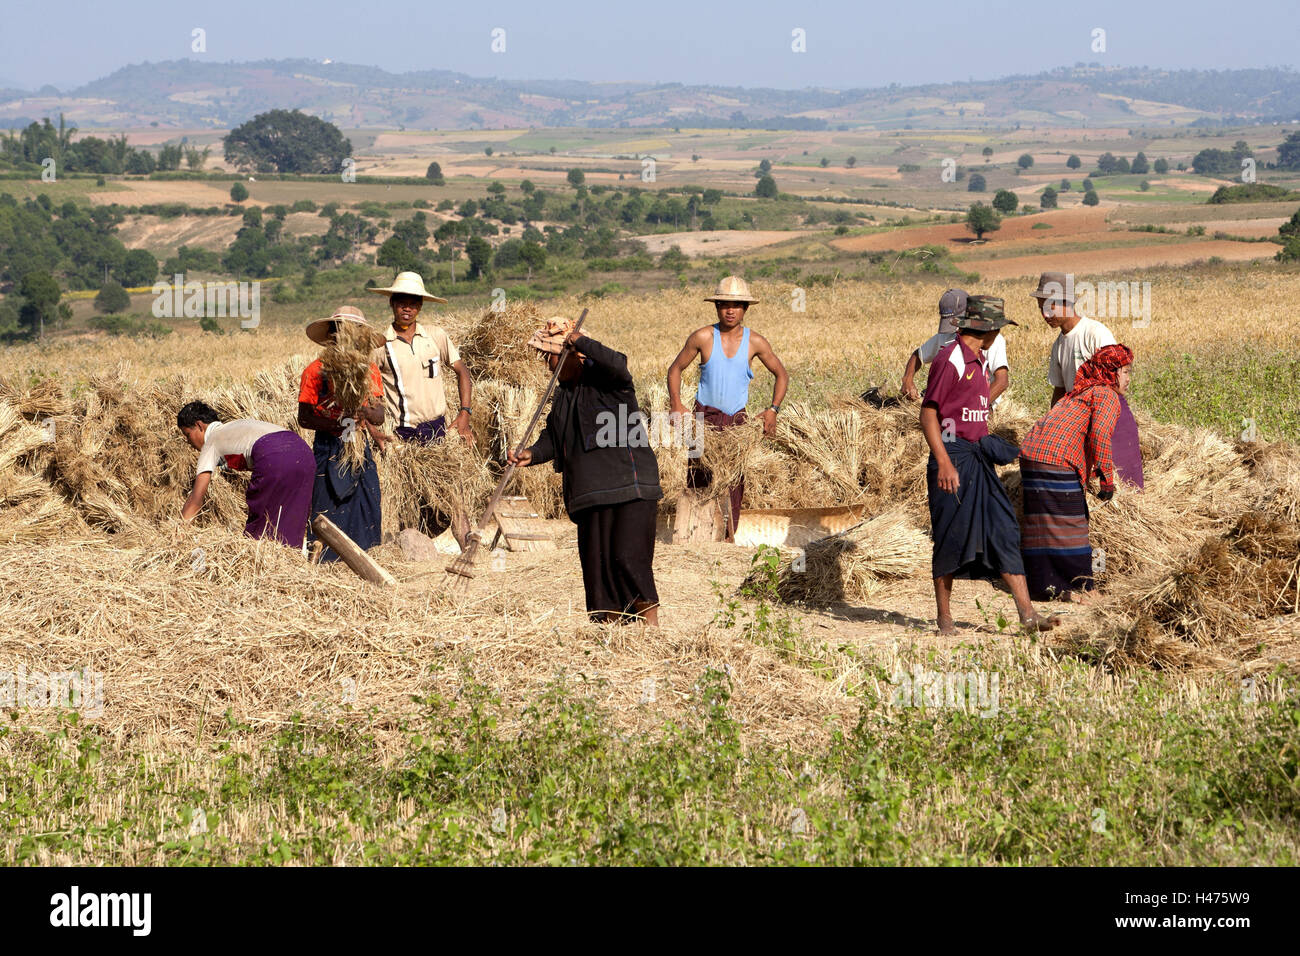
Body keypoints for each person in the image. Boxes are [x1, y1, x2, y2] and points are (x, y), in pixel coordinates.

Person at [508, 317, 663, 626]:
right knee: (598, 570)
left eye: (550, 357)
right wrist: (531, 454)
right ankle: (610, 639)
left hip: (629, 489)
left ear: (570, 354)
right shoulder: (564, 395)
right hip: (589, 494)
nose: (549, 367)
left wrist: (579, 340)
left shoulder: (610, 381)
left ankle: (651, 634)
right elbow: (554, 436)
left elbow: (618, 362)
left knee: (629, 560)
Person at [920, 295, 1059, 635]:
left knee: (1004, 531)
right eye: (998, 327)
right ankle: (945, 619)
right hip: (953, 458)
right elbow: (928, 414)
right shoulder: (949, 359)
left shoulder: (979, 360)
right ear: (988, 329)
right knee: (950, 535)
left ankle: (1027, 616)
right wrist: (944, 463)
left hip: (978, 458)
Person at [666, 275, 788, 541]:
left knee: (734, 481)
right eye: (724, 304)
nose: (730, 310)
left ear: (745, 309)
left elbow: (781, 374)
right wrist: (676, 403)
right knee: (698, 475)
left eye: (736, 305)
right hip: (704, 419)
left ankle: (727, 536)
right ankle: (697, 535)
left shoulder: (755, 342)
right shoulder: (702, 337)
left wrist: (773, 410)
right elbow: (675, 369)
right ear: (716, 307)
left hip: (736, 424)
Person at [1018, 344, 1134, 603]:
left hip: (1031, 455)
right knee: (1073, 526)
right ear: (1111, 372)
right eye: (1125, 372)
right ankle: (1084, 589)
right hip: (1057, 460)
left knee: (1042, 526)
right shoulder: (1105, 395)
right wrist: (1107, 479)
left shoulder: (1082, 391)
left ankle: (1044, 588)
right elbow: (1100, 435)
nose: (1128, 379)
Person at [1032, 270, 1143, 488]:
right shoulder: (1059, 345)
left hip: (1111, 422)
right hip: (1081, 423)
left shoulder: (1095, 333)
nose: (1045, 315)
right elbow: (1060, 390)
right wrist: (1054, 424)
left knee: (1124, 486)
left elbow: (1119, 382)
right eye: (1041, 309)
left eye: (1049, 307)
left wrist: (1100, 426)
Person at [298, 306, 386, 562]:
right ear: (332, 335)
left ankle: (365, 561)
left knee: (367, 505)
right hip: (328, 446)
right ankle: (324, 562)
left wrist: (365, 413)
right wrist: (337, 422)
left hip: (359, 447)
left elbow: (379, 414)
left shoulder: (369, 370)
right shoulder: (316, 371)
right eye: (340, 331)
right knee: (327, 507)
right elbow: (304, 417)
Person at [177, 401, 314, 548]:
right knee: (292, 519)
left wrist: (178, 535)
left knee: (259, 531)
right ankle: (290, 562)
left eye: (188, 435)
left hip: (274, 455)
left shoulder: (211, 442)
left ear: (199, 426)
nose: (188, 442)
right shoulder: (234, 427)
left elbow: (196, 499)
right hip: (304, 454)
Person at [367, 271, 474, 449]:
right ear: (392, 303)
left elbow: (462, 370)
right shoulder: (380, 345)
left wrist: (465, 412)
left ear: (420, 306)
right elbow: (362, 393)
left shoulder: (435, 336)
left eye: (413, 304)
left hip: (438, 429)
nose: (407, 309)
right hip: (401, 435)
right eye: (402, 303)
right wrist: (372, 430)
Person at [901, 288, 1010, 405]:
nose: (956, 328)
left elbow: (1002, 381)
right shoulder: (945, 336)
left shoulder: (991, 339)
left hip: (980, 402)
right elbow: (918, 355)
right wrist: (907, 379)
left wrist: (977, 407)